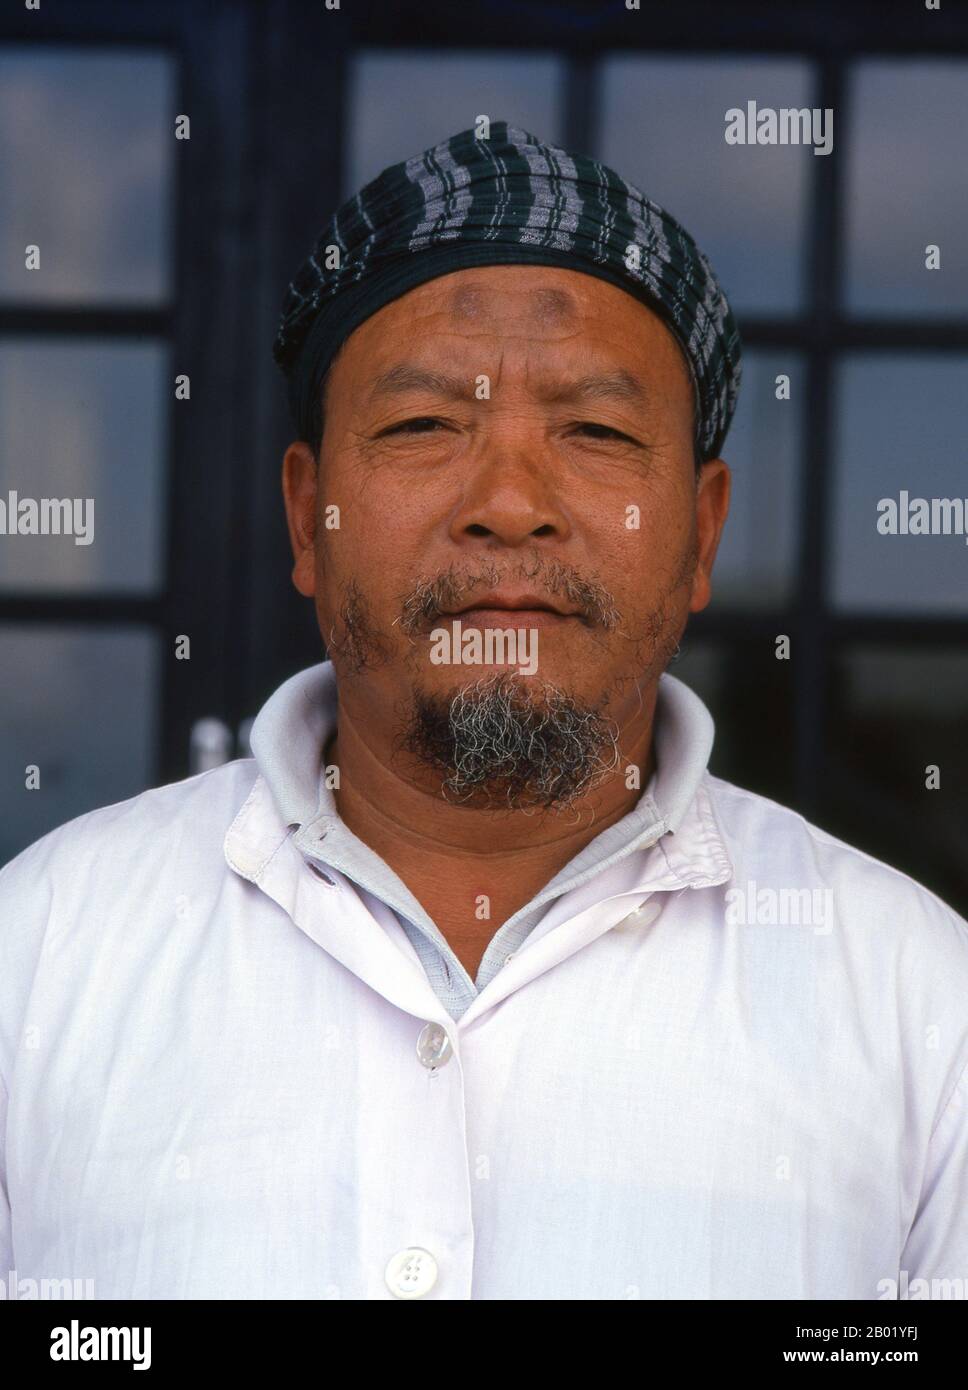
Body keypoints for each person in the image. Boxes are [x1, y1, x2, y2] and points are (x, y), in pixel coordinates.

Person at [1, 123, 965, 1301]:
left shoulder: (919, 1003)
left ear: (700, 533)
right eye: (421, 427)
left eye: (596, 432)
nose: (509, 503)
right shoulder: (40, 958)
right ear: (309, 518)